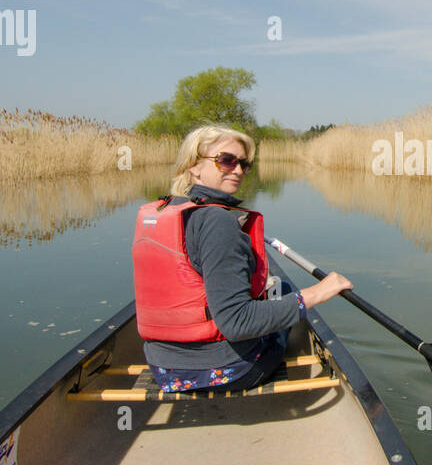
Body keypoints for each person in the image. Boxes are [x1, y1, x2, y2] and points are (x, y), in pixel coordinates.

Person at [132, 124, 352, 392]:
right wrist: (320, 292)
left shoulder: (169, 210)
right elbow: (238, 322)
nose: (238, 170)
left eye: (244, 164)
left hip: (164, 368)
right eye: (226, 160)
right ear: (194, 165)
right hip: (223, 371)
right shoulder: (217, 222)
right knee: (283, 290)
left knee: (273, 295)